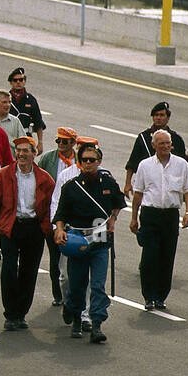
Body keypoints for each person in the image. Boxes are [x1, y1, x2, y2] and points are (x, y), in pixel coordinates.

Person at [53, 143, 124, 343]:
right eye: (84, 160)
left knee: (98, 284)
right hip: (78, 236)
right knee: (77, 283)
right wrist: (59, 229)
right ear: (80, 162)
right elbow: (61, 214)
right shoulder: (71, 187)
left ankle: (97, 324)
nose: (88, 163)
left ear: (99, 161)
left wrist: (113, 219)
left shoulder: (107, 182)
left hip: (100, 236)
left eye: (92, 160)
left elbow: (119, 202)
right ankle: (76, 317)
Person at [0, 136, 54, 330]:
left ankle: (21, 313)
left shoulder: (45, 179)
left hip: (33, 229)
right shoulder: (3, 175)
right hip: (10, 227)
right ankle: (10, 313)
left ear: (34, 153)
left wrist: (47, 230)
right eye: (18, 150)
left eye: (25, 150)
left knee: (29, 271)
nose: (21, 154)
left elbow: (50, 208)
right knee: (8, 269)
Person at [129, 129, 188, 312]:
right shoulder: (145, 165)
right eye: (161, 144)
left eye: (168, 143)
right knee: (149, 257)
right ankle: (149, 296)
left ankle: (160, 296)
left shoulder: (181, 165)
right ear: (154, 146)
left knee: (167, 257)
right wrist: (134, 217)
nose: (166, 146)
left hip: (170, 216)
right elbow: (138, 194)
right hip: (150, 215)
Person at [36, 127, 79, 306]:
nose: (61, 144)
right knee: (56, 257)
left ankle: (75, 292)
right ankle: (58, 294)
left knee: (75, 257)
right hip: (53, 215)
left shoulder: (80, 160)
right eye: (58, 141)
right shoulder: (48, 159)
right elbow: (37, 178)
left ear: (73, 144)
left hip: (75, 218)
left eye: (65, 141)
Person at [123, 101, 188, 198]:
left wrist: (185, 188)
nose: (158, 118)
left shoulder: (176, 139)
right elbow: (132, 162)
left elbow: (185, 166)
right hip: (148, 184)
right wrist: (127, 183)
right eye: (155, 115)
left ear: (168, 118)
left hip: (169, 186)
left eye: (162, 115)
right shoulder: (143, 137)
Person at [6, 67, 46, 152]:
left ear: (24, 81)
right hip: (9, 137)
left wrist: (40, 142)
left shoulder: (31, 100)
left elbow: (38, 122)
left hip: (26, 138)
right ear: (11, 82)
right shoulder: (5, 99)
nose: (18, 82)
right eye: (15, 80)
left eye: (21, 80)